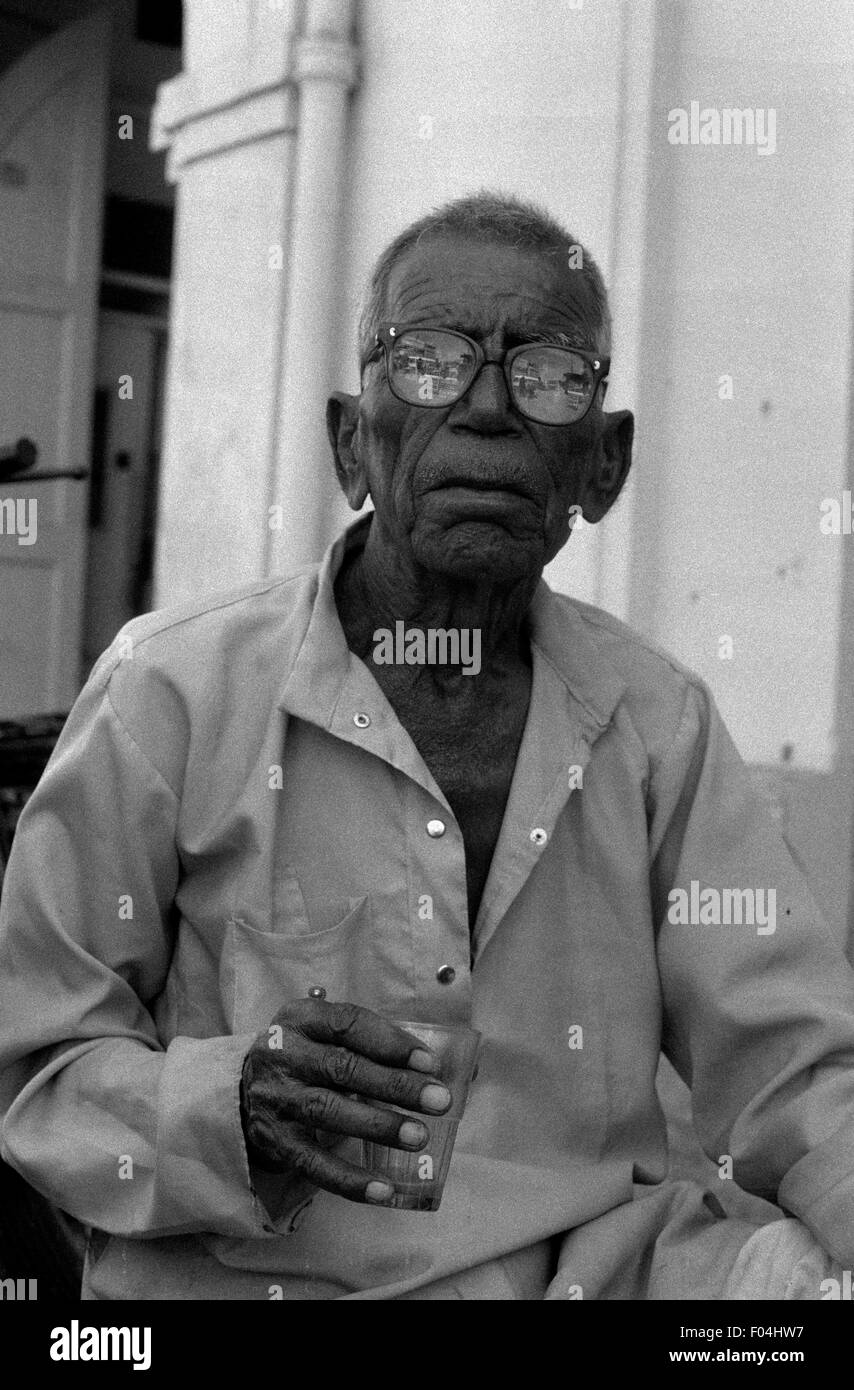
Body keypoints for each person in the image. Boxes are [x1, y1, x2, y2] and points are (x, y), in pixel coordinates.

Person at [2, 192, 854, 1301]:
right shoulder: (167, 690)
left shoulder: (657, 720)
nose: (487, 410)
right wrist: (228, 1111)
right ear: (350, 439)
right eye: (428, 361)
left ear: (601, 463)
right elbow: (38, 1067)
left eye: (546, 372)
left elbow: (790, 1064)